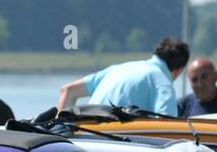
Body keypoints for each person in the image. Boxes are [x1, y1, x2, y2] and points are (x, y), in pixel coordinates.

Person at [56, 37, 189, 116]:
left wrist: (58, 134)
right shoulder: (162, 81)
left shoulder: (117, 69)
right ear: (178, 70)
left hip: (86, 145)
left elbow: (68, 90)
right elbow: (166, 126)